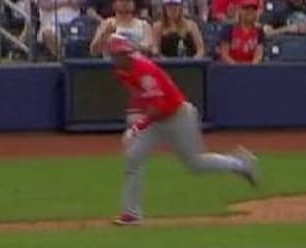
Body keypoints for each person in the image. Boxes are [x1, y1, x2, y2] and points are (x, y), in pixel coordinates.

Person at [108, 35, 259, 226]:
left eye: (120, 54)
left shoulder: (144, 69)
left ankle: (240, 164)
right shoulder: (121, 70)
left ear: (128, 54)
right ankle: (131, 214)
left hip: (178, 116)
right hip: (155, 121)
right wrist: (134, 118)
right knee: (133, 158)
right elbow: (138, 95)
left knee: (196, 164)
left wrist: (137, 127)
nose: (117, 58)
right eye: (115, 55)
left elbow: (159, 107)